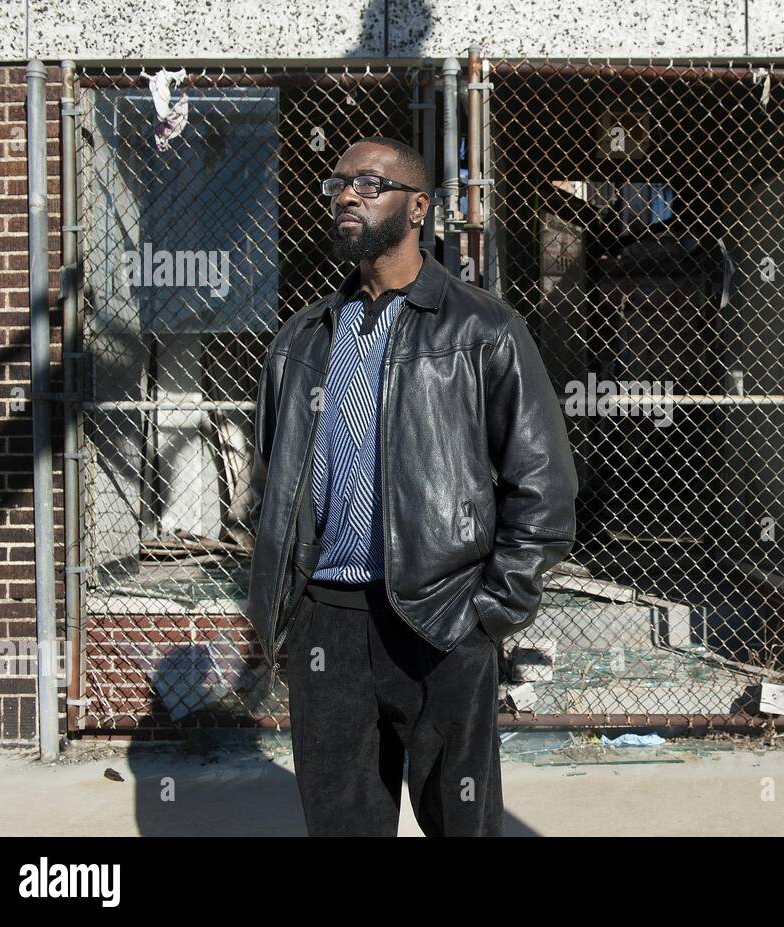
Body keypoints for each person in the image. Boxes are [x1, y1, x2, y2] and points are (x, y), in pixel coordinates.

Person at [244, 136, 578, 836]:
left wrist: (489, 612)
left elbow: (543, 485)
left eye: (369, 183)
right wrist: (288, 610)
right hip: (326, 625)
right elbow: (275, 482)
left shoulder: (483, 327)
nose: (346, 196)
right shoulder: (300, 340)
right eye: (338, 183)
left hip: (441, 619)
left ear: (419, 207)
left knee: (462, 823)